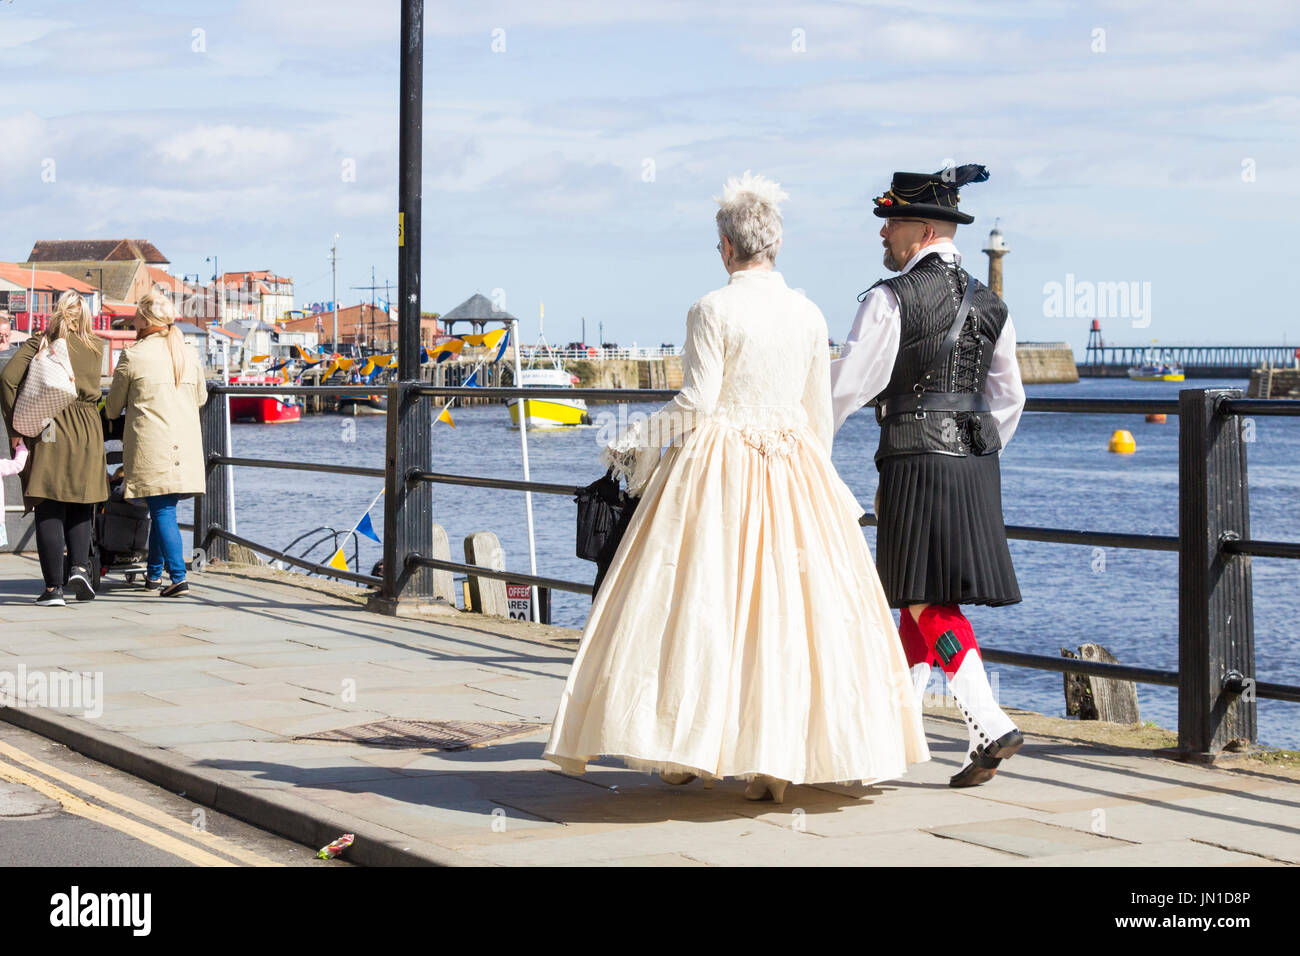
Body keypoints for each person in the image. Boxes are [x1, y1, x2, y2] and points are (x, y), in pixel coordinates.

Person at [543, 172, 930, 803]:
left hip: (720, 469)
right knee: (788, 614)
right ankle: (773, 764)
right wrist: (812, 479)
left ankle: (686, 749)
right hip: (793, 463)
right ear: (774, 244)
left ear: (727, 246)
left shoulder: (711, 309)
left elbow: (697, 401)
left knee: (700, 605)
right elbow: (816, 411)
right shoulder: (808, 313)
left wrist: (637, 440)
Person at [829, 164, 1027, 788]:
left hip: (914, 458)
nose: (882, 233)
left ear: (920, 228)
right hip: (974, 461)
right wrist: (974, 451)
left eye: (890, 221)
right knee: (913, 592)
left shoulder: (889, 300)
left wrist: (800, 437)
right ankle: (899, 727)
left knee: (922, 595)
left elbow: (847, 387)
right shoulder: (991, 302)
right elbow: (1009, 396)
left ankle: (989, 719)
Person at [0, 291, 109, 606]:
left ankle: (53, 590)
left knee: (49, 504)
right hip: (89, 429)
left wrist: (16, 426)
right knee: (81, 501)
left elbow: (7, 379)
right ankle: (78, 568)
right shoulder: (96, 345)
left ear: (56, 313)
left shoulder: (43, 342)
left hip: (51, 427)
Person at [105, 290, 207, 597]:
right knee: (165, 506)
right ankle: (152, 575)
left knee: (161, 509)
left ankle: (178, 577)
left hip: (153, 444)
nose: (133, 321)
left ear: (146, 321)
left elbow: (112, 408)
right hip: (185, 444)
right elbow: (201, 398)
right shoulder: (188, 353)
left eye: (136, 316)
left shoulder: (134, 355)